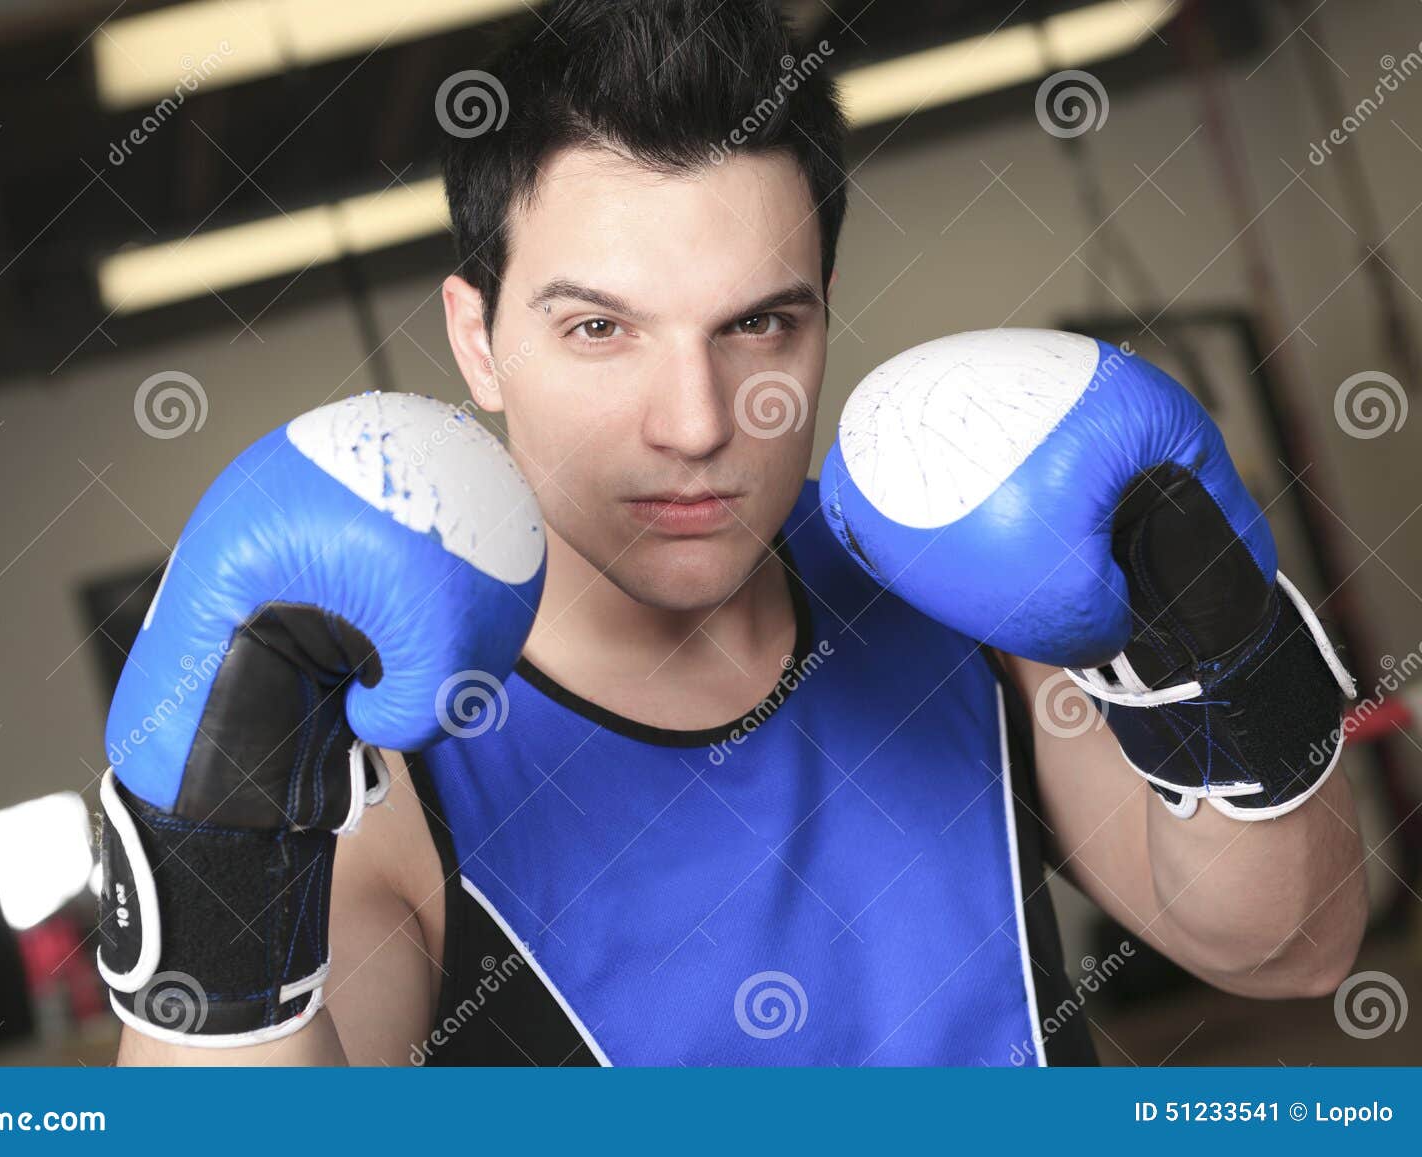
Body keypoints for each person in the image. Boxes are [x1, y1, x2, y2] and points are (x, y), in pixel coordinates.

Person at [95, 0, 1367, 1067]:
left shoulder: (946, 592)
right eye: (600, 328)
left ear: (821, 319)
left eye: (758, 324)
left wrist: (1209, 621)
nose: (697, 423)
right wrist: (211, 863)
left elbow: (1295, 943)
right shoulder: (400, 775)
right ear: (477, 339)